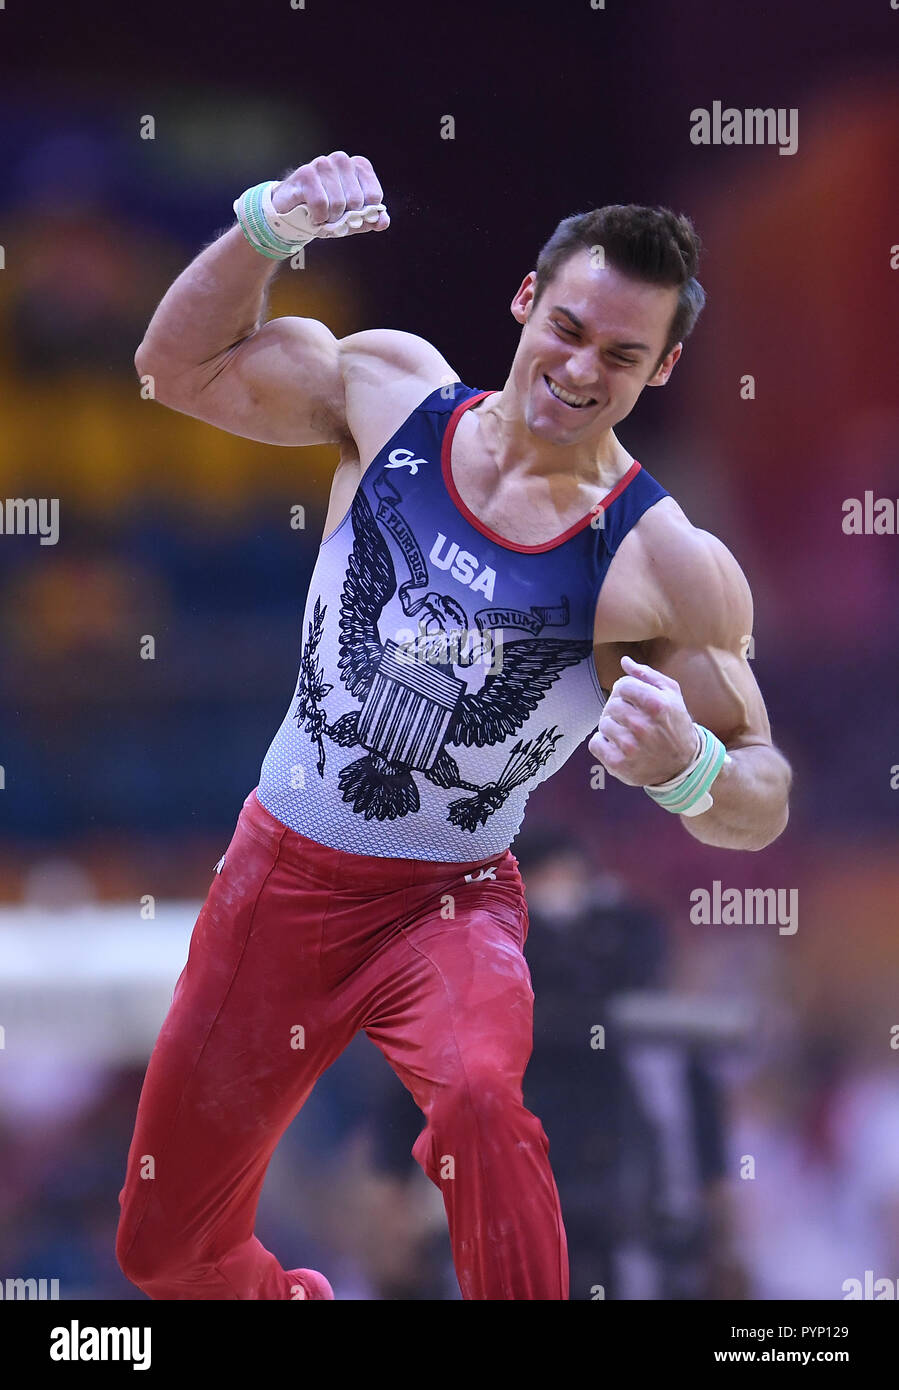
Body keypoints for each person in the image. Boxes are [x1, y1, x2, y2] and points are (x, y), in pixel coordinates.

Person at [116, 150, 792, 1301]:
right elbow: (171, 369)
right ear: (525, 298)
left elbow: (762, 793)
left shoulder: (663, 562)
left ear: (664, 367)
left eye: (620, 356)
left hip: (445, 903)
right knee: (162, 1251)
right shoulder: (385, 396)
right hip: (275, 881)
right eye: (567, 328)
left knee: (481, 1097)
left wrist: (689, 772)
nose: (579, 370)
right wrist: (266, 227)